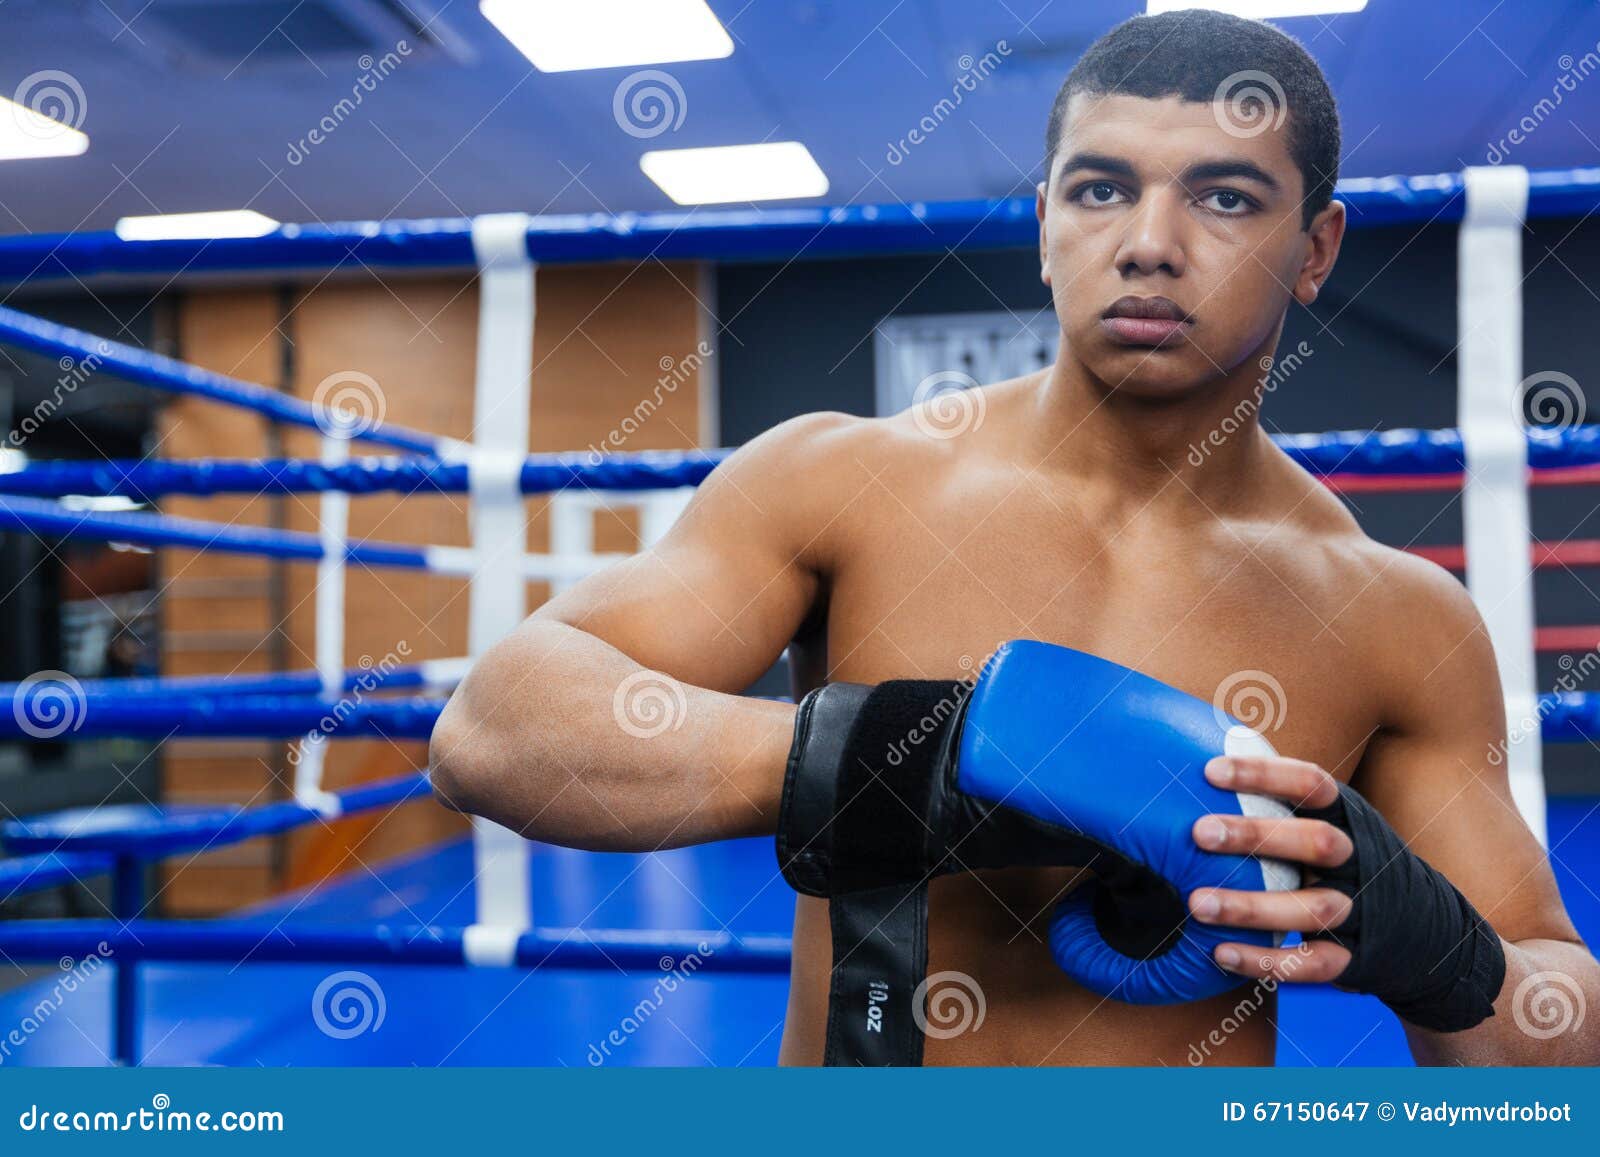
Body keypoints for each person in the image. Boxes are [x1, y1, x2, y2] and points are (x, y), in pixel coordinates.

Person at [429, 10, 1599, 1066]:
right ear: (1042, 225)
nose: (1148, 242)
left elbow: (1552, 1033)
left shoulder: (1391, 614)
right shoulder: (841, 479)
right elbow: (497, 724)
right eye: (1098, 189)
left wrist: (1435, 945)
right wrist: (904, 766)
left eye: (1225, 197)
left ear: (1316, 250)